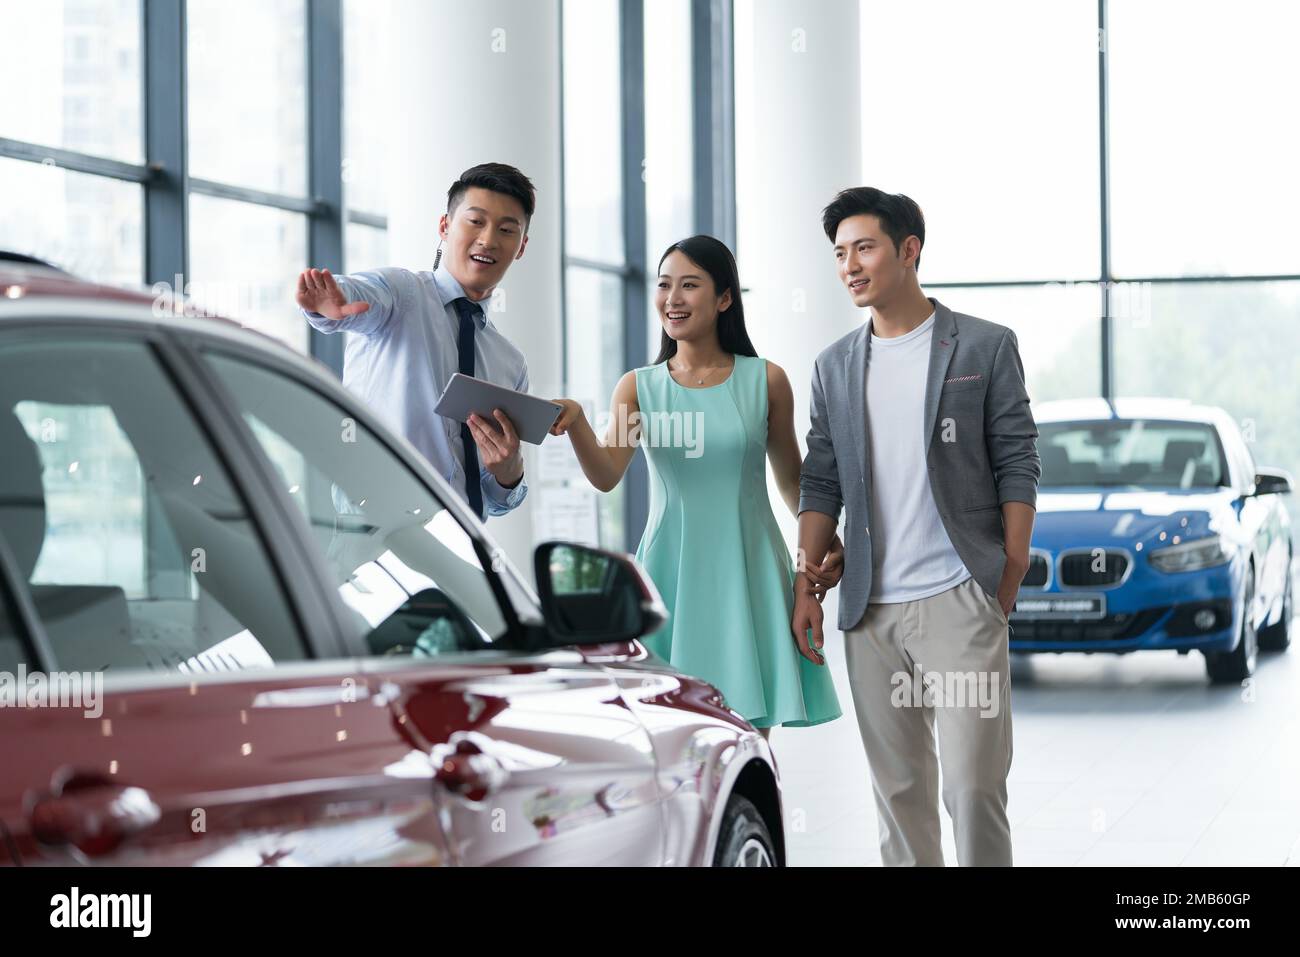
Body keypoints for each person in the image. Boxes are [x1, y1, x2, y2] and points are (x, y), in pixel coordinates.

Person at [793, 187, 1041, 866]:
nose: (849, 265)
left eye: (864, 247)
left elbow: (1018, 457)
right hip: (871, 608)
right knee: (899, 795)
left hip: (960, 594)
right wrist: (806, 584)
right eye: (839, 253)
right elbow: (822, 481)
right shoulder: (834, 366)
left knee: (972, 785)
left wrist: (1010, 564)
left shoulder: (984, 346)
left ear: (909, 250)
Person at [549, 235, 843, 739]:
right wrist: (577, 423)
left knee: (746, 734)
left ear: (724, 298)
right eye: (664, 286)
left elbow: (793, 481)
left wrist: (819, 549)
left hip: (748, 572)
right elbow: (605, 474)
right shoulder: (638, 387)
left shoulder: (765, 381)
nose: (673, 298)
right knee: (672, 733)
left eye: (690, 285)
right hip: (670, 574)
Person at [295, 162, 535, 521]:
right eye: (475, 221)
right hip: (377, 544)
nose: (488, 239)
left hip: (465, 552)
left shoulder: (510, 363)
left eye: (506, 229)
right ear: (444, 226)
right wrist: (332, 303)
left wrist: (509, 472)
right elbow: (361, 293)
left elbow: (497, 500)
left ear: (520, 247)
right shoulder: (402, 295)